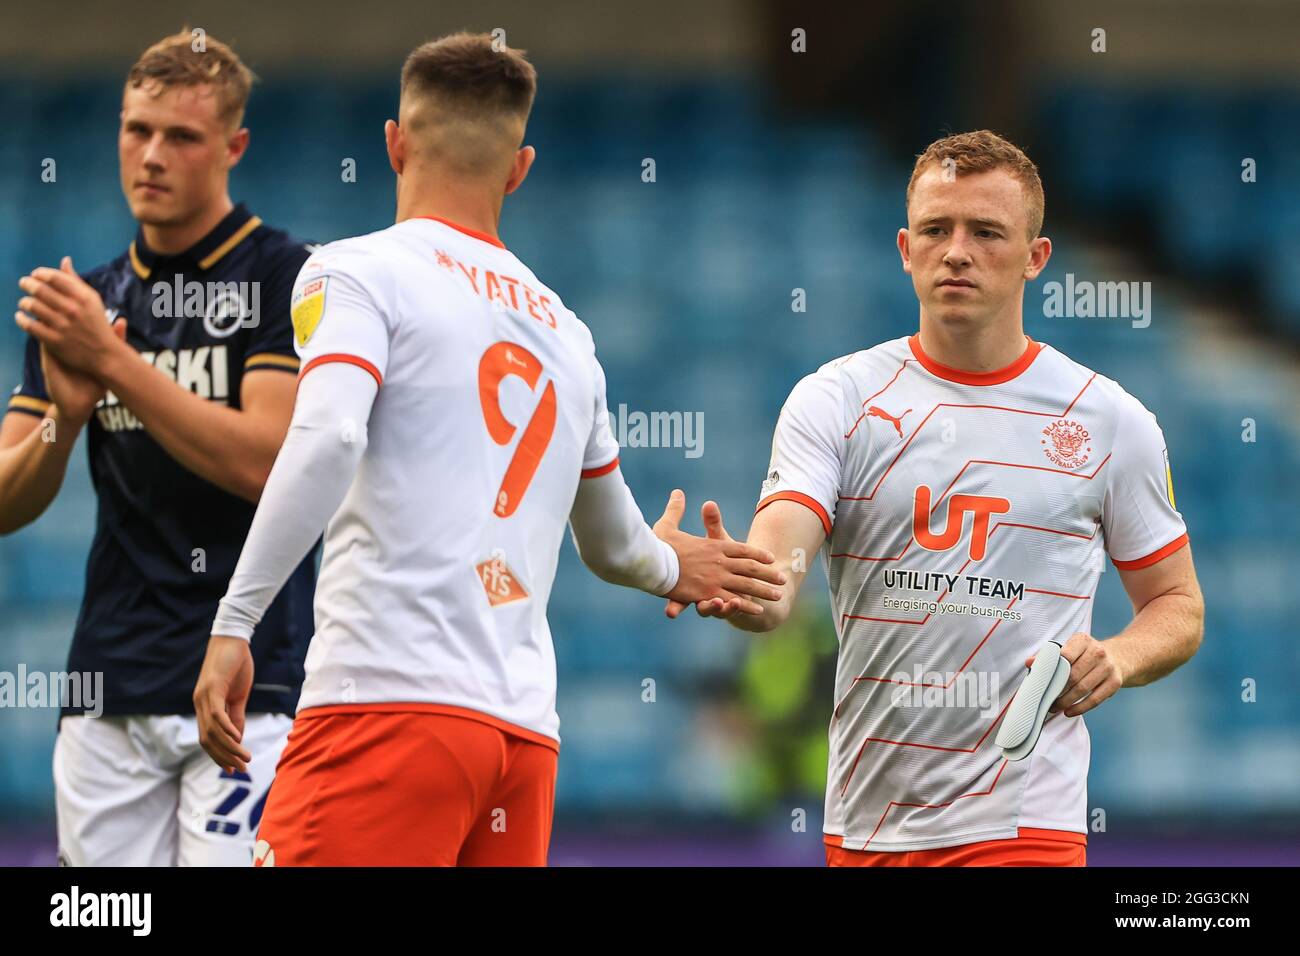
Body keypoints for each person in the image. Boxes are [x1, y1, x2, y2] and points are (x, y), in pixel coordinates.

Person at [192, 32, 785, 867]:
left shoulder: (354, 271)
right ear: (520, 168)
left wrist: (235, 622)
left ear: (394, 144)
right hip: (519, 742)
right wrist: (669, 565)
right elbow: (614, 545)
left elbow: (328, 433)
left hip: (387, 705)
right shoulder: (567, 334)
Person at [669, 130, 1205, 867]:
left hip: (1025, 824)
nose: (957, 250)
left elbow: (1177, 606)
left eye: (986, 232)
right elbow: (777, 576)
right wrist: (719, 575)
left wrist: (1116, 658)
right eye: (936, 229)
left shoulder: (1110, 421)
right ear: (904, 248)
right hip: (865, 826)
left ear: (1035, 258)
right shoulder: (836, 400)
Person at [2, 30, 316, 866]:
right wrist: (63, 418)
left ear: (233, 147)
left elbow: (267, 464)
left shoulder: (287, 277)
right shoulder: (88, 299)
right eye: (136, 130)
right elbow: (5, 501)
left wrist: (114, 364)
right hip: (110, 678)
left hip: (252, 678)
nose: (151, 155)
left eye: (180, 136)